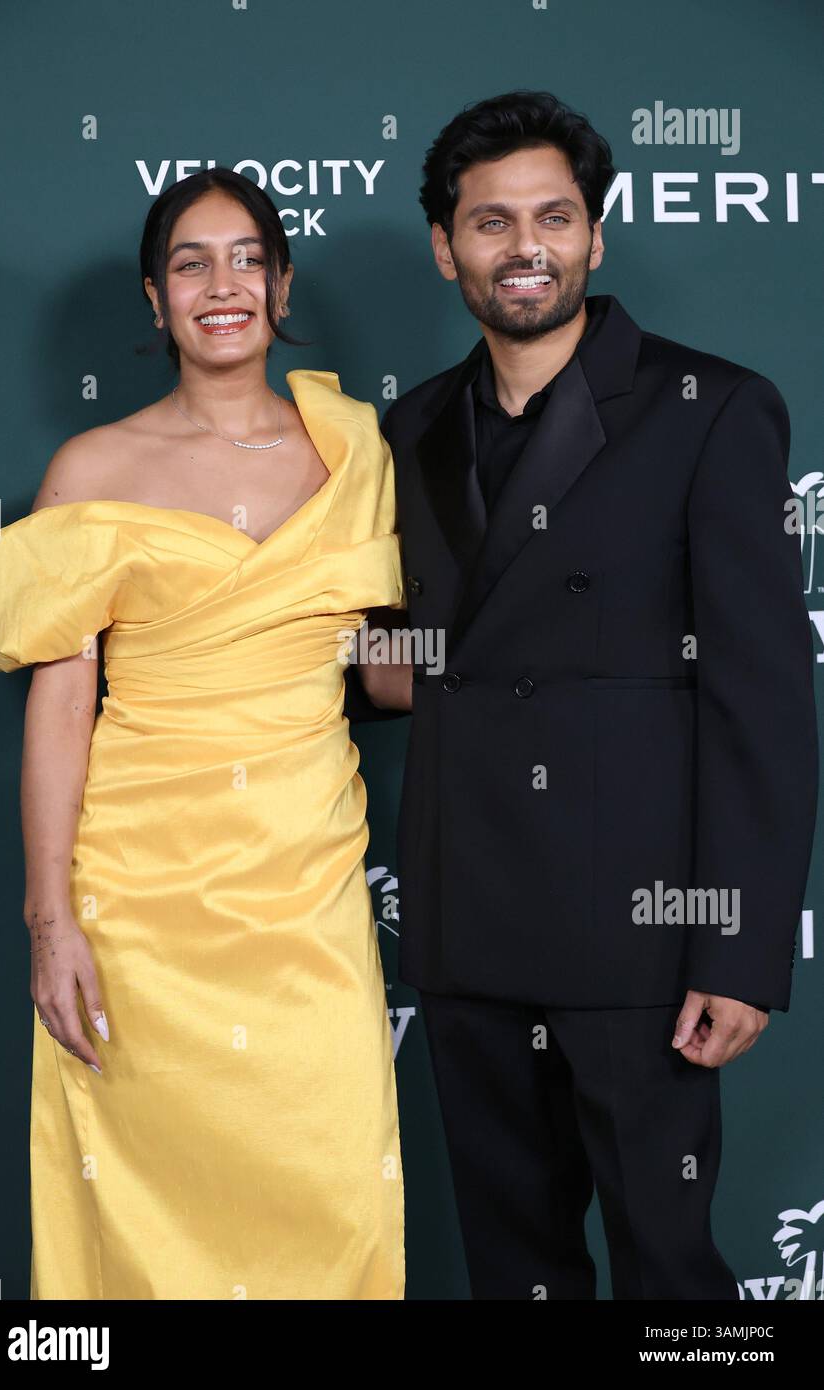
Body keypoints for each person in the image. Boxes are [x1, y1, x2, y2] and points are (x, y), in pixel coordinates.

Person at [347, 90, 818, 1299]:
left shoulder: (706, 410)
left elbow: (760, 702)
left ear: (595, 237)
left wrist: (739, 946)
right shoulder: (409, 429)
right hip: (467, 920)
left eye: (553, 217)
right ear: (446, 246)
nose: (526, 248)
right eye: (491, 223)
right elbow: (406, 659)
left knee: (667, 1269)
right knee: (516, 1271)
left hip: (640, 935)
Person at [0, 167, 406, 1300]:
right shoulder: (93, 470)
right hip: (142, 900)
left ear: (283, 284)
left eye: (246, 257)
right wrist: (50, 918)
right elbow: (62, 705)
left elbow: (384, 666)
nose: (222, 284)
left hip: (304, 882)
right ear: (155, 301)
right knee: (145, 1195)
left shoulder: (349, 449)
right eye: (190, 262)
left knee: (330, 1179)